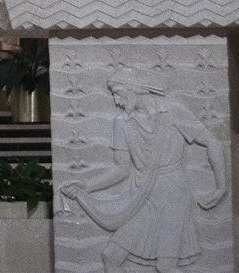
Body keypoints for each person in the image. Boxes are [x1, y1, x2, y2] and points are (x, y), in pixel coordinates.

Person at [59, 72, 226, 273]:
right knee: (111, 257)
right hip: (142, 198)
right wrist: (85, 186)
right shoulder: (122, 123)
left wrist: (221, 187)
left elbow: (212, 142)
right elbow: (121, 169)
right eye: (113, 95)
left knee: (166, 266)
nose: (116, 101)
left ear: (135, 89)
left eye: (119, 94)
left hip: (173, 197)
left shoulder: (173, 112)